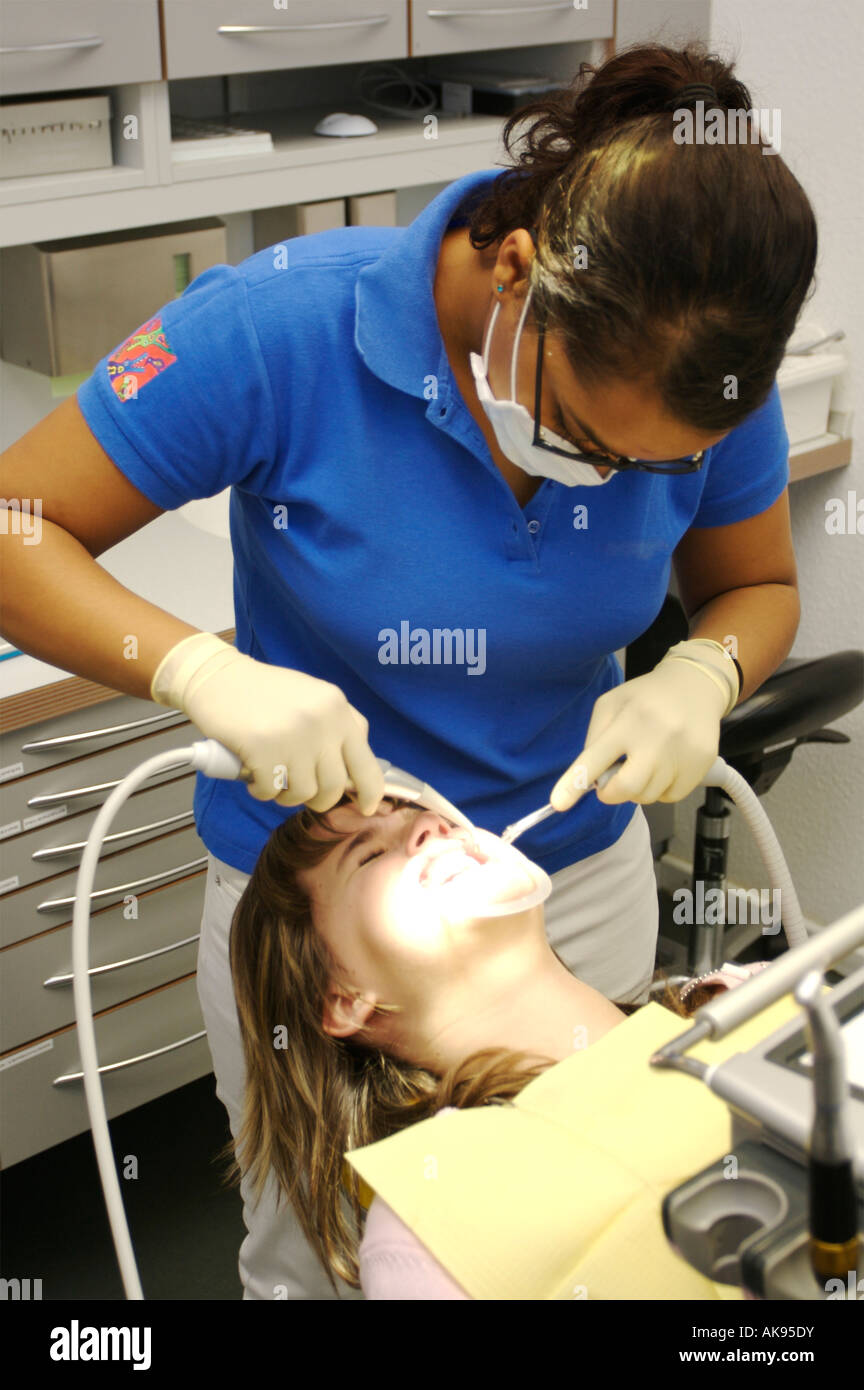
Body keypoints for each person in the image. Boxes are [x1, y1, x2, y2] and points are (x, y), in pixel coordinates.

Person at [0, 39, 815, 1298]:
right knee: (317, 1250)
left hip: (573, 890)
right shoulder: (280, 325)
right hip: (319, 918)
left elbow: (753, 586)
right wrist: (193, 671)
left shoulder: (702, 374)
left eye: (653, 469)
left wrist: (701, 669)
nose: (609, 479)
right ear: (521, 273)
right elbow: (16, 525)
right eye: (592, 438)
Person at [225, 791, 776, 1300]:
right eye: (368, 855)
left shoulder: (753, 1001)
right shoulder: (432, 1227)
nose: (432, 829)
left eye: (426, 815)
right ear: (344, 996)